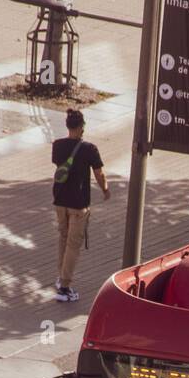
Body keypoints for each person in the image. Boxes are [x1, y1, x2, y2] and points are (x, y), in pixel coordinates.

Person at [51, 109, 109, 302]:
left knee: (63, 238)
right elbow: (99, 174)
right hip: (78, 204)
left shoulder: (57, 146)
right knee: (73, 244)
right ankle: (65, 288)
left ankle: (61, 278)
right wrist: (105, 190)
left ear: (68, 126)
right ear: (82, 127)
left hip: (60, 200)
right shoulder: (89, 149)